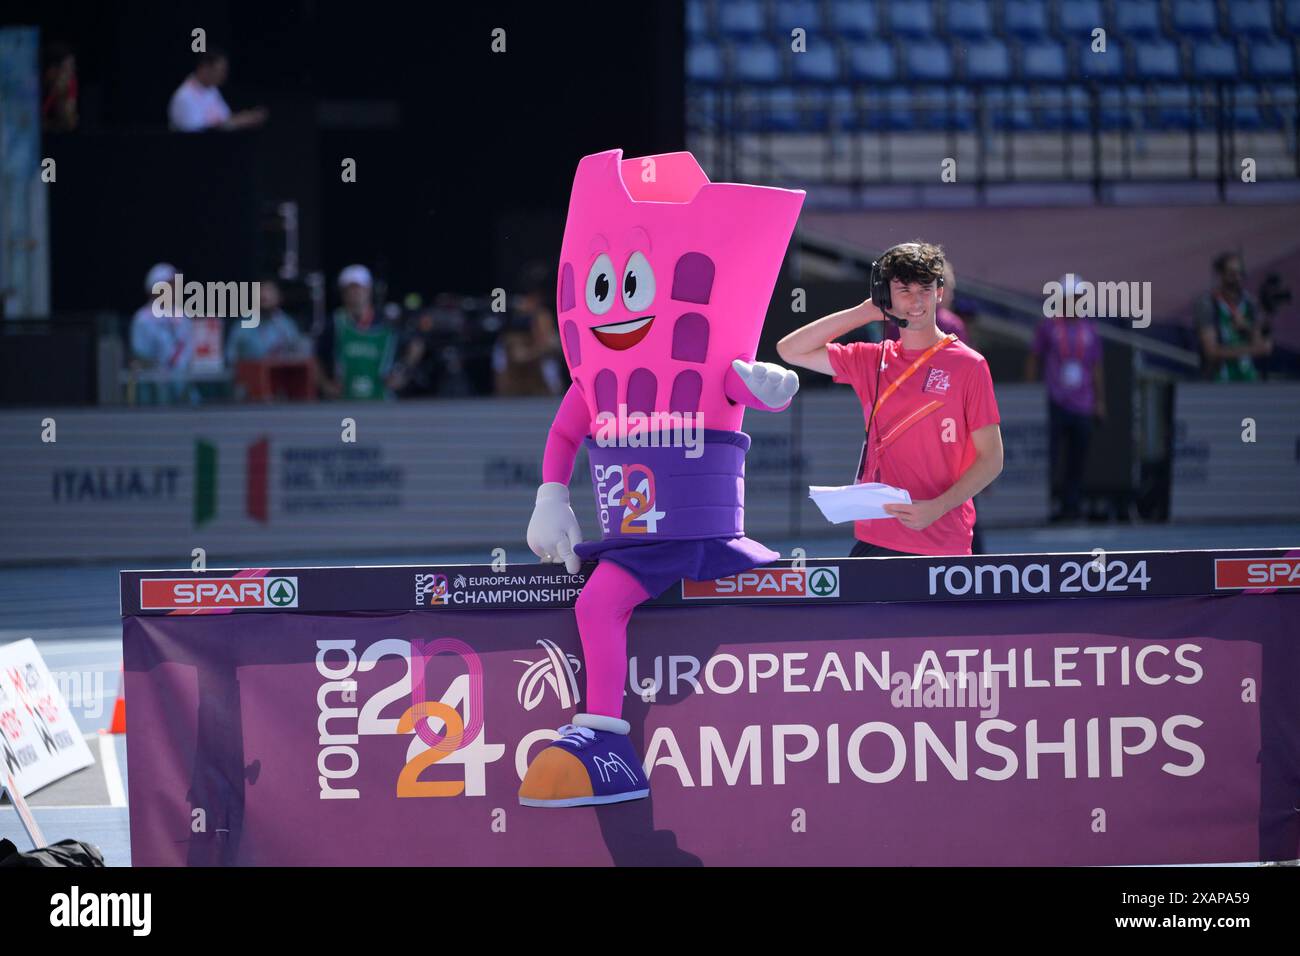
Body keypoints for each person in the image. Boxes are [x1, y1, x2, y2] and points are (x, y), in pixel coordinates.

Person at [778, 241, 1003, 557]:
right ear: (886, 296)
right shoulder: (869, 359)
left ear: (939, 292)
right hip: (876, 539)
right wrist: (862, 313)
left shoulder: (970, 365)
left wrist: (938, 507)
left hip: (943, 540)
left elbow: (992, 459)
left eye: (924, 289)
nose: (915, 301)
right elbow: (790, 349)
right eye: (904, 290)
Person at [1026, 274, 1106, 523]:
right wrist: (1029, 395)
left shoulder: (1089, 328)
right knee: (1050, 457)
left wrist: (1100, 401)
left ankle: (1072, 506)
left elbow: (1096, 367)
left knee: (1077, 457)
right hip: (1054, 401)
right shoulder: (1048, 326)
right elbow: (1034, 358)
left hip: (1083, 403)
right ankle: (1047, 504)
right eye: (1073, 297)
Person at [319, 264, 398, 400]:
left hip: (381, 400)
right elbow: (316, 358)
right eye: (350, 288)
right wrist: (325, 385)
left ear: (368, 290)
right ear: (343, 292)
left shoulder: (385, 323)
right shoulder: (334, 323)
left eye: (359, 287)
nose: (355, 292)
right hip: (343, 401)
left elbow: (410, 350)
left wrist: (401, 374)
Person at [1194, 252, 1272, 382]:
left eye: (1240, 273)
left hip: (1248, 379)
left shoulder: (1250, 303)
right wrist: (1253, 349)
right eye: (1231, 274)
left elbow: (1264, 345)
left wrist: (1246, 326)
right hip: (1218, 380)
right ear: (1220, 275)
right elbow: (1211, 352)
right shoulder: (1207, 304)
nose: (1237, 278)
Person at [128, 262, 195, 404]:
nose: (176, 288)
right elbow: (141, 356)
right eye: (171, 284)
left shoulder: (183, 316)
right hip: (154, 390)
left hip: (184, 387)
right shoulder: (143, 319)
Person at [168, 50, 268, 132]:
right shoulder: (184, 97)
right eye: (220, 71)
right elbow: (196, 135)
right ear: (204, 68)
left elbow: (225, 119)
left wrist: (246, 118)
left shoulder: (212, 90)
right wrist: (239, 121)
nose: (223, 76)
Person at [225, 278, 310, 364]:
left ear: (279, 297)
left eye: (270, 290)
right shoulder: (242, 325)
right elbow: (230, 356)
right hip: (251, 374)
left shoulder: (287, 325)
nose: (265, 295)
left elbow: (299, 355)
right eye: (261, 290)